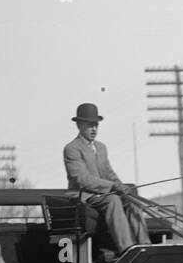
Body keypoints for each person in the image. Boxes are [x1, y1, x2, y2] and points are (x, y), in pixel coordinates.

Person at [63, 102, 150, 252]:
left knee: (132, 198)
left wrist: (122, 186)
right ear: (79, 125)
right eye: (90, 125)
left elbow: (109, 173)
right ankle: (128, 249)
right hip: (85, 195)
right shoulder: (72, 149)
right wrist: (112, 186)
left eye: (96, 125)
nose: (94, 129)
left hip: (103, 192)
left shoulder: (101, 147)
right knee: (113, 200)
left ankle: (145, 247)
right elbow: (83, 179)